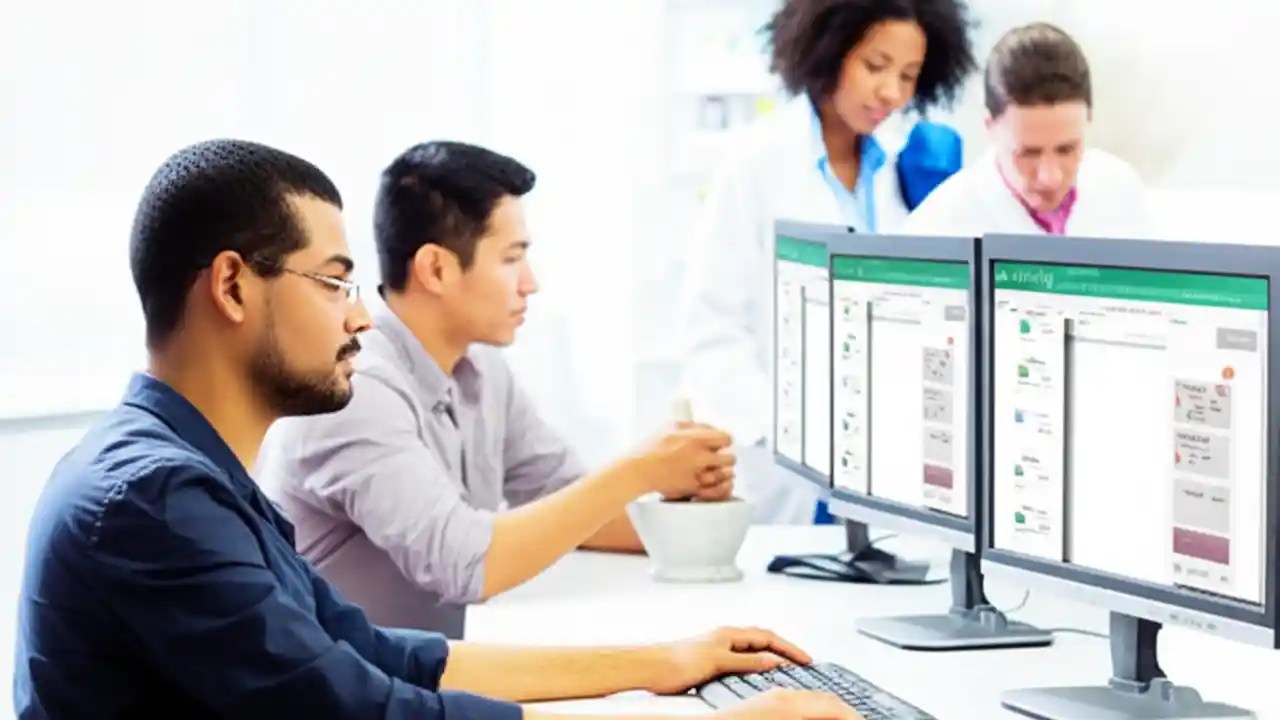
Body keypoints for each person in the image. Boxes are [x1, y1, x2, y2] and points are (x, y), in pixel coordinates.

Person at [13, 138, 856, 720]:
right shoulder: (155, 501)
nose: (359, 318)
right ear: (233, 287)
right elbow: (363, 709)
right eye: (334, 284)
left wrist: (666, 663)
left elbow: (380, 655)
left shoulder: (194, 478)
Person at [255, 141, 737, 636]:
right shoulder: (357, 387)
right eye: (511, 259)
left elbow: (575, 505)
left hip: (432, 662)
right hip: (350, 676)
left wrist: (683, 498)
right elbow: (462, 564)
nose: (530, 283)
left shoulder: (481, 368)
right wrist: (640, 469)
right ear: (436, 269)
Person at [677, 0, 977, 525]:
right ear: (830, 51)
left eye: (908, 75)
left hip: (883, 466)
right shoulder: (756, 167)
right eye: (875, 66)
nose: (891, 92)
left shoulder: (898, 174)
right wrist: (782, 433)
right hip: (781, 474)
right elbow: (713, 330)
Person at [901, 22, 1148, 237]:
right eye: (1029, 153)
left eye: (1067, 150)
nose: (1050, 178)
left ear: (1089, 119)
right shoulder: (938, 227)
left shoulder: (1121, 190)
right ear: (990, 128)